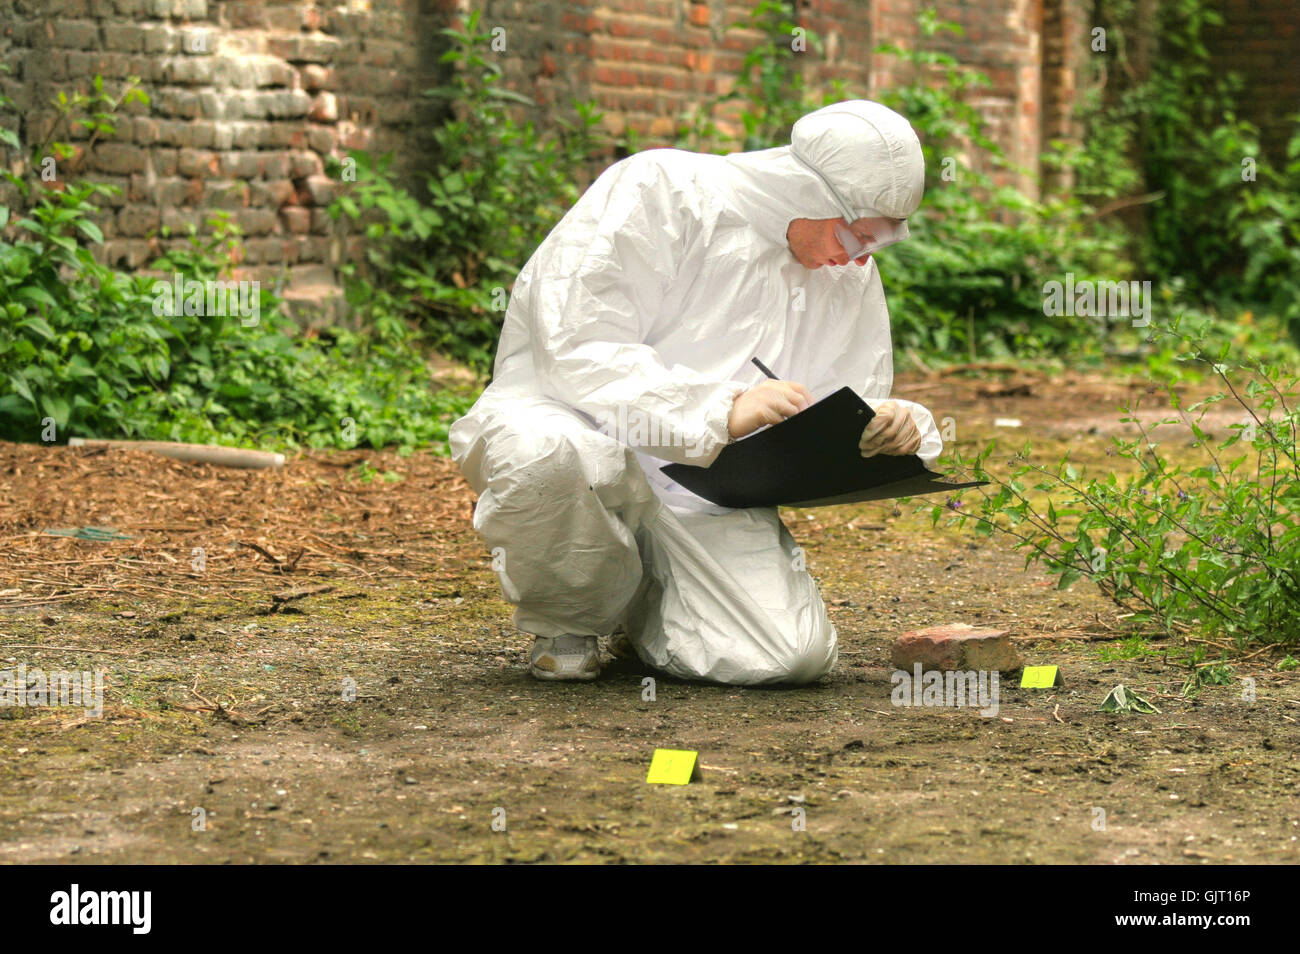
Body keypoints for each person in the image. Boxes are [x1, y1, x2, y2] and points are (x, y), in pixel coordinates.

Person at [449, 100, 943, 686]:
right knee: (546, 458)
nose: (860, 255)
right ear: (804, 191)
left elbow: (840, 399)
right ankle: (570, 618)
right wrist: (718, 408)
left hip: (708, 483)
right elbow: (576, 344)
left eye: (878, 241)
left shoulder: (842, 267)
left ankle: (644, 595)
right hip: (575, 427)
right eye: (854, 233)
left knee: (788, 659)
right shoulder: (661, 191)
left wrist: (892, 425)